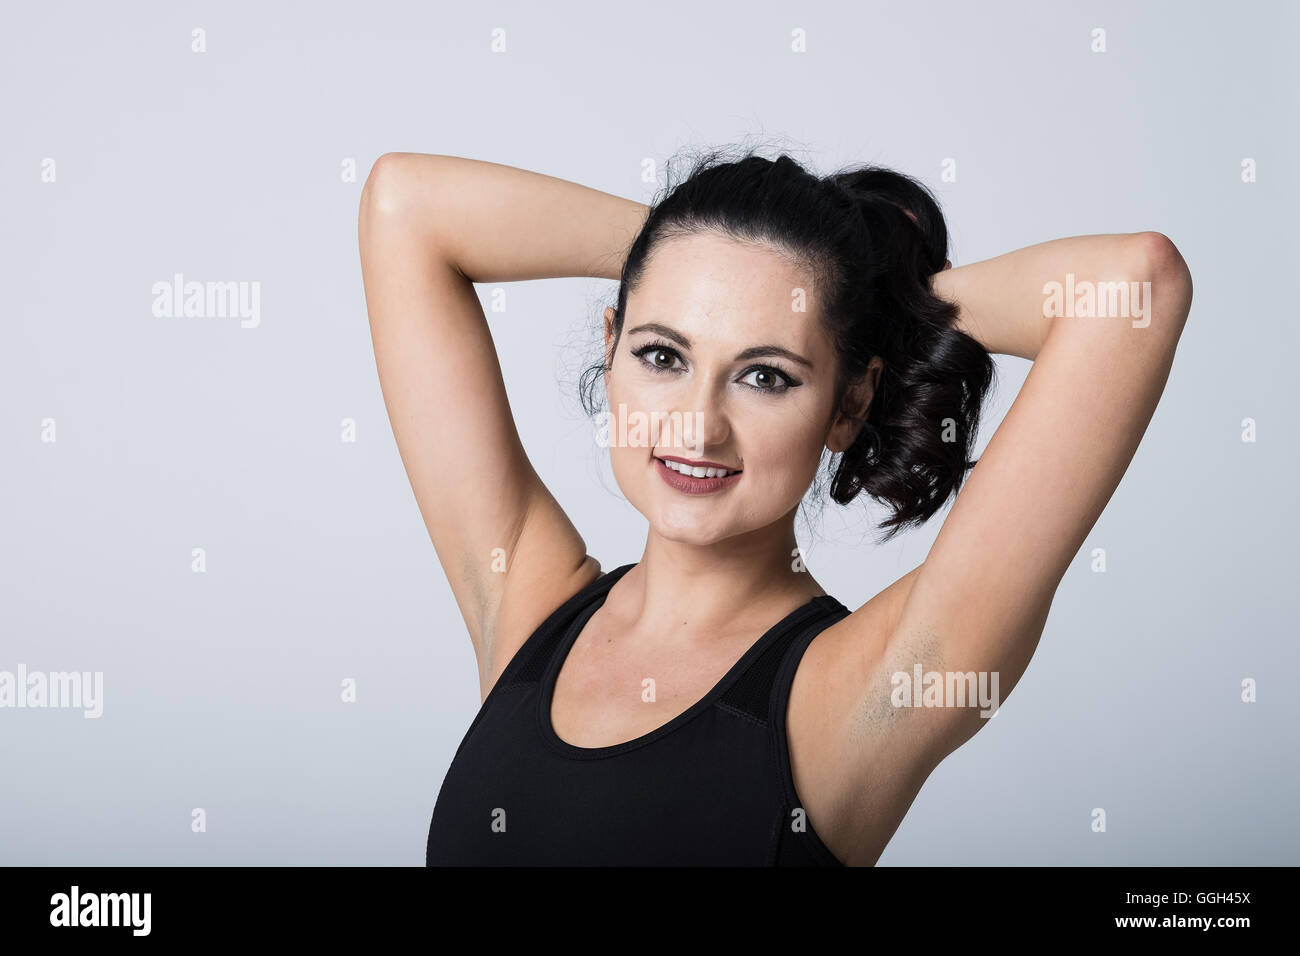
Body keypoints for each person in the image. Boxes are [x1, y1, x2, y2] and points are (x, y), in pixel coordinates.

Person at [357, 147, 1193, 866]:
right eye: (661, 354)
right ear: (610, 350)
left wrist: (866, 291)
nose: (698, 424)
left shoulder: (862, 690)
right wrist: (706, 251)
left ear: (848, 406)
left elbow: (1136, 285)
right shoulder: (527, 611)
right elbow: (404, 205)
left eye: (766, 375)